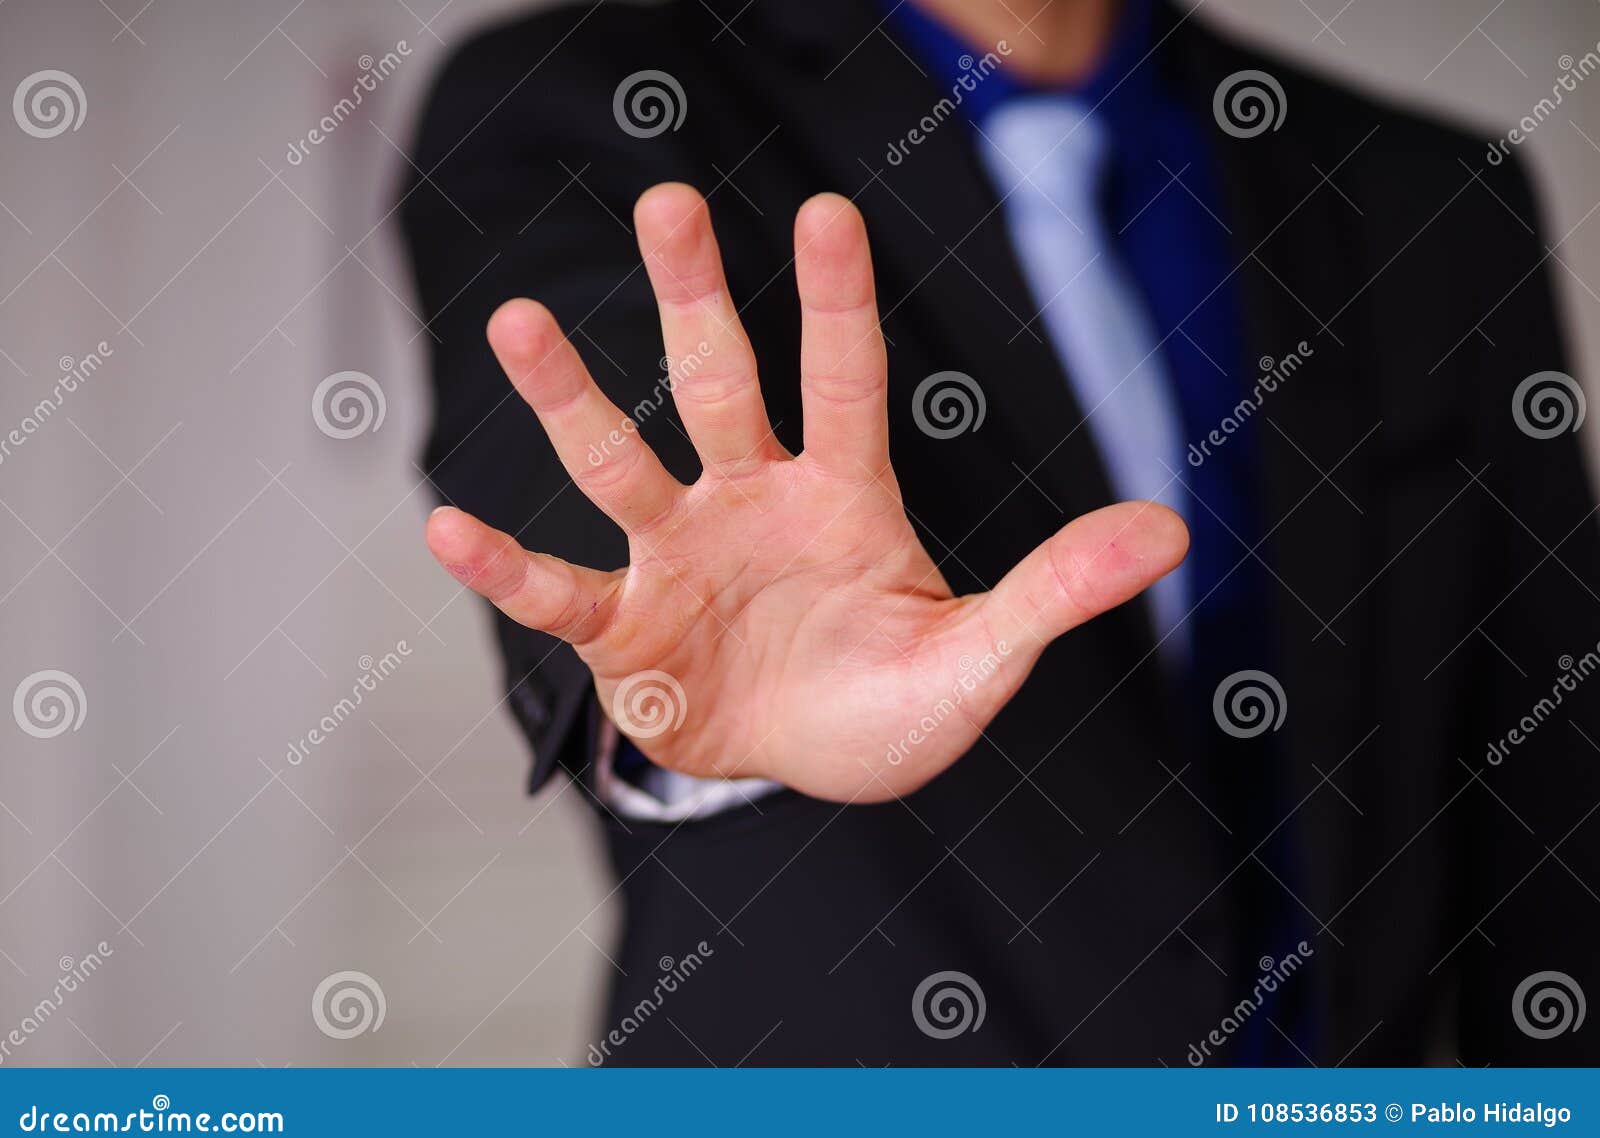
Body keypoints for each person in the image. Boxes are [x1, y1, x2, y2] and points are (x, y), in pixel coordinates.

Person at [400, 0, 1600, 1064]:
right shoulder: (582, 99)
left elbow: (1551, 803)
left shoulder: (1434, 194)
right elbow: (577, 445)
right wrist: (691, 681)